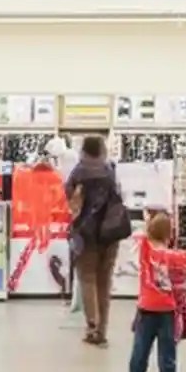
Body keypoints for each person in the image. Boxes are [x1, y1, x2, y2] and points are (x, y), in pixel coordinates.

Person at [111, 213, 186, 372]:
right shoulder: (147, 249)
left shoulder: (174, 258)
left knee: (161, 360)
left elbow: (180, 288)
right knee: (143, 357)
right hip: (147, 311)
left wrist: (180, 314)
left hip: (166, 314)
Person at [65, 135, 128, 347]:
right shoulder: (110, 170)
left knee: (87, 279)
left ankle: (92, 325)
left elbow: (68, 195)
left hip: (85, 234)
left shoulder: (79, 171)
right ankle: (102, 330)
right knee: (104, 281)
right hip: (110, 233)